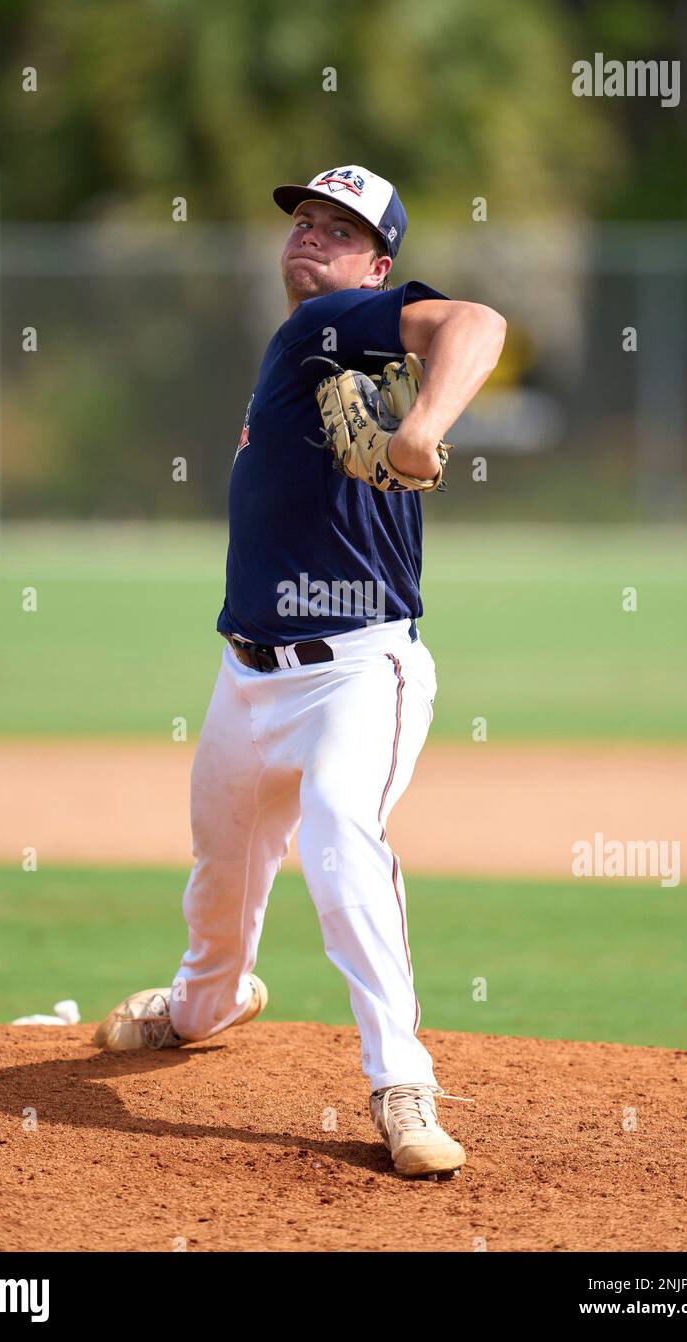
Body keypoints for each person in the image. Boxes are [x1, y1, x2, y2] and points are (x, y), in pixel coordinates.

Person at [95, 166, 507, 1178]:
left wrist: (422, 430)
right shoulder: (315, 355)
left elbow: (479, 322)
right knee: (219, 880)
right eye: (302, 222)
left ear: (378, 268)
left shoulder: (329, 330)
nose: (309, 238)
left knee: (335, 831)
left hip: (356, 673)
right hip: (244, 680)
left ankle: (400, 1083)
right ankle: (208, 1006)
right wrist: (395, 431)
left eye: (339, 229)